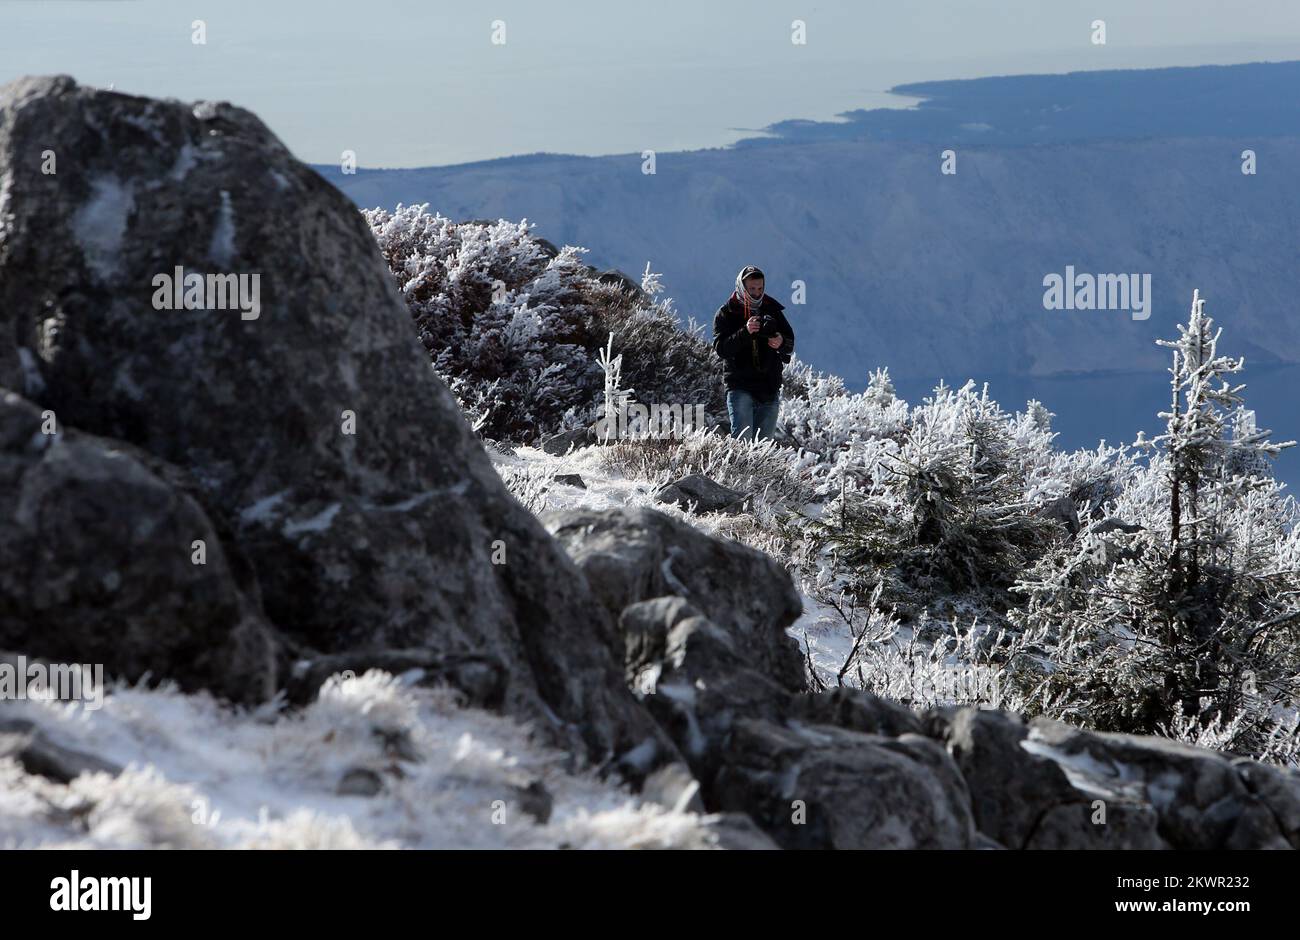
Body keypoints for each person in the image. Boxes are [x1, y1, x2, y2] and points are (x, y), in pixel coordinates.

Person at [711, 265, 795, 441]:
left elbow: (790, 342)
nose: (757, 293)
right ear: (742, 287)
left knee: (764, 449)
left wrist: (780, 341)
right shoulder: (727, 313)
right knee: (742, 443)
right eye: (752, 288)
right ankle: (737, 470)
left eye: (760, 288)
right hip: (740, 387)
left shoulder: (772, 309)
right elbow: (721, 348)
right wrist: (745, 332)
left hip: (769, 388)